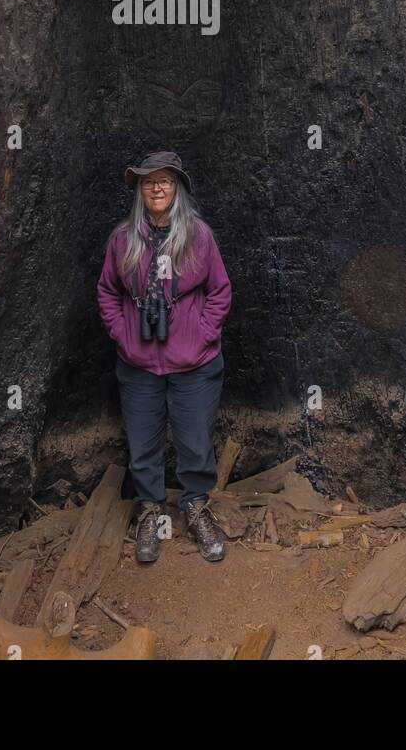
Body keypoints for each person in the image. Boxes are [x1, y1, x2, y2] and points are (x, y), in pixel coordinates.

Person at [96, 150, 232, 563]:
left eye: (165, 181)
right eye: (149, 182)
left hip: (195, 364)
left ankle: (195, 507)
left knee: (194, 442)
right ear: (140, 190)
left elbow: (220, 291)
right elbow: (108, 292)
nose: (157, 188)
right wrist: (123, 335)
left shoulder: (198, 236)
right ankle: (152, 513)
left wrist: (201, 335)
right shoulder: (123, 239)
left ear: (177, 189)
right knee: (142, 446)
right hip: (139, 364)